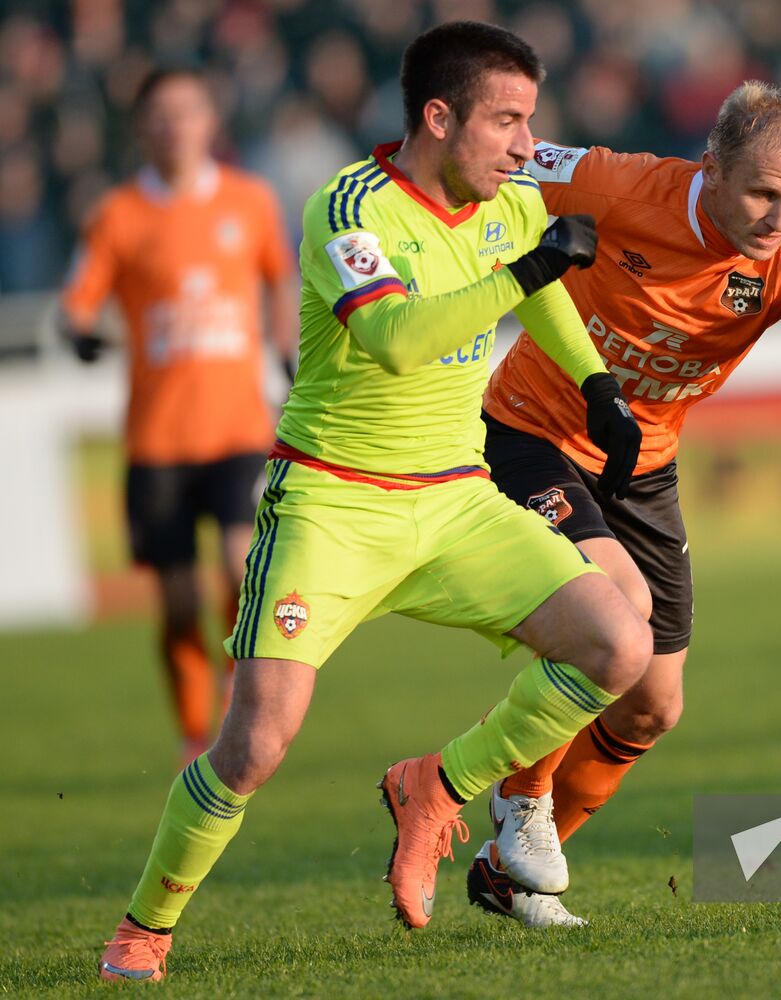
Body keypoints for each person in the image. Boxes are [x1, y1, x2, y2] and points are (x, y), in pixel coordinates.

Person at [97, 21, 652, 982]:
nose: (528, 146)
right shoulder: (345, 208)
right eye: (507, 121)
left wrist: (596, 383)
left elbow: (542, 294)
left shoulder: (508, 202)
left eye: (532, 121)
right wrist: (528, 269)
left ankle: (438, 788)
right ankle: (146, 926)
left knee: (619, 642)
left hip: (454, 498)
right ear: (439, 118)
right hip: (331, 507)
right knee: (255, 745)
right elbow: (396, 337)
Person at [467, 81, 781, 926]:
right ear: (710, 169)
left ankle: (508, 872)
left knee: (655, 703)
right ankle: (521, 796)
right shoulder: (615, 183)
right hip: (529, 432)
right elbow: (500, 164)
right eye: (762, 192)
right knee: (616, 612)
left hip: (641, 465)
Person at [61, 68, 298, 767]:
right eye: (160, 115)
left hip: (236, 430)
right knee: (173, 600)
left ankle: (238, 699)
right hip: (157, 440)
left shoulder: (249, 201)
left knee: (236, 566)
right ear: (142, 127)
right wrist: (79, 331)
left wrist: (286, 350)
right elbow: (78, 299)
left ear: (209, 120)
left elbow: (279, 279)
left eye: (188, 111)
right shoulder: (118, 215)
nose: (175, 126)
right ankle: (192, 729)